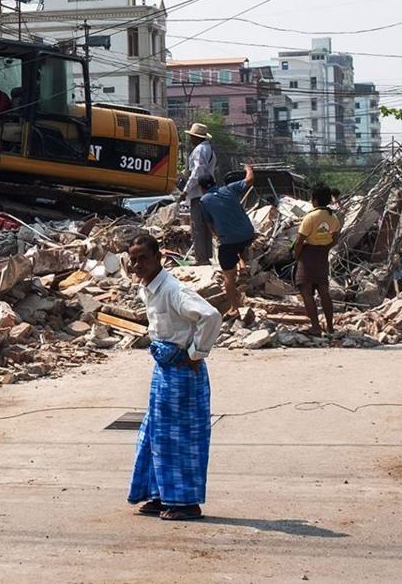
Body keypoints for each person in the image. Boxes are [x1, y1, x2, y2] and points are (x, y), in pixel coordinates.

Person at [125, 233, 222, 521]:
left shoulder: (172, 290)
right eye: (134, 260)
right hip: (164, 370)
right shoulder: (149, 289)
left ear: (158, 257)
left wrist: (195, 353)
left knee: (182, 437)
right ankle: (160, 495)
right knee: (156, 434)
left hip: (183, 370)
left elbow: (211, 316)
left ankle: (186, 502)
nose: (138, 264)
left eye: (143, 258)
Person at [199, 164, 257, 316]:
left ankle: (235, 309)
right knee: (240, 247)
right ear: (214, 182)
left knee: (228, 275)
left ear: (202, 188)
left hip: (230, 240)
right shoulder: (229, 189)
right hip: (248, 234)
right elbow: (250, 179)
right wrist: (248, 167)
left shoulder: (204, 200)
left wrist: (218, 237)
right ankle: (244, 266)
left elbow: (209, 224)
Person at [294, 184, 341, 335]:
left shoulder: (310, 217)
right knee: (324, 291)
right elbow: (335, 238)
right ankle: (330, 327)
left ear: (314, 200)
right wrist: (326, 248)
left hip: (308, 254)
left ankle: (315, 327)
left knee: (305, 290)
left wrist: (296, 256)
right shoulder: (333, 217)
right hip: (322, 255)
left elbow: (300, 240)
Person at [184, 123, 216, 266]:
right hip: (208, 192)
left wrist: (186, 190)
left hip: (198, 193)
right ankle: (206, 255)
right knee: (206, 225)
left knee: (197, 226)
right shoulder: (210, 150)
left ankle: (200, 257)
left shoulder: (199, 150)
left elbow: (197, 172)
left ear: (195, 137)